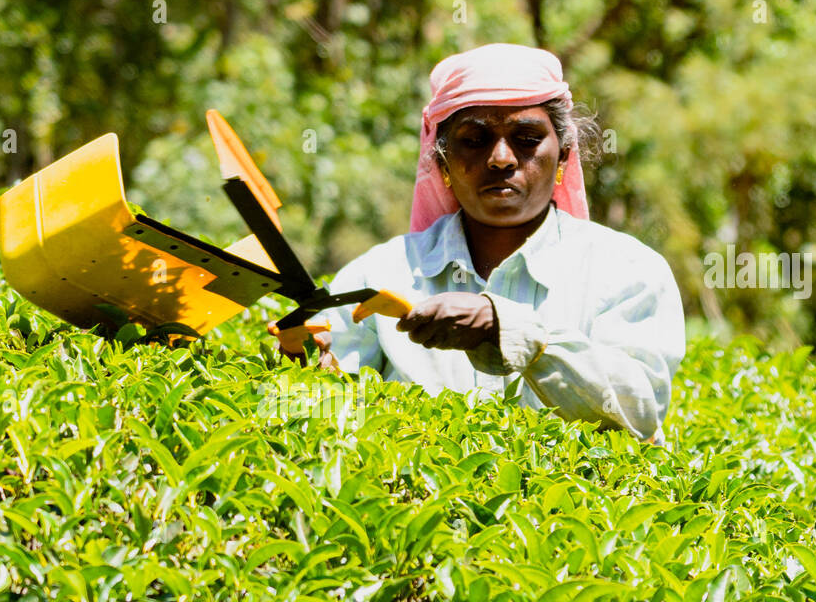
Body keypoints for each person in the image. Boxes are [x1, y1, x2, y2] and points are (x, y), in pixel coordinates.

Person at [273, 43, 685, 445]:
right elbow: (322, 423)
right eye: (475, 139)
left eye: (526, 138)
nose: (501, 159)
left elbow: (640, 413)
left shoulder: (627, 270)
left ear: (562, 157)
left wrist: (505, 328)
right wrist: (300, 363)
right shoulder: (381, 272)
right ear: (442, 162)